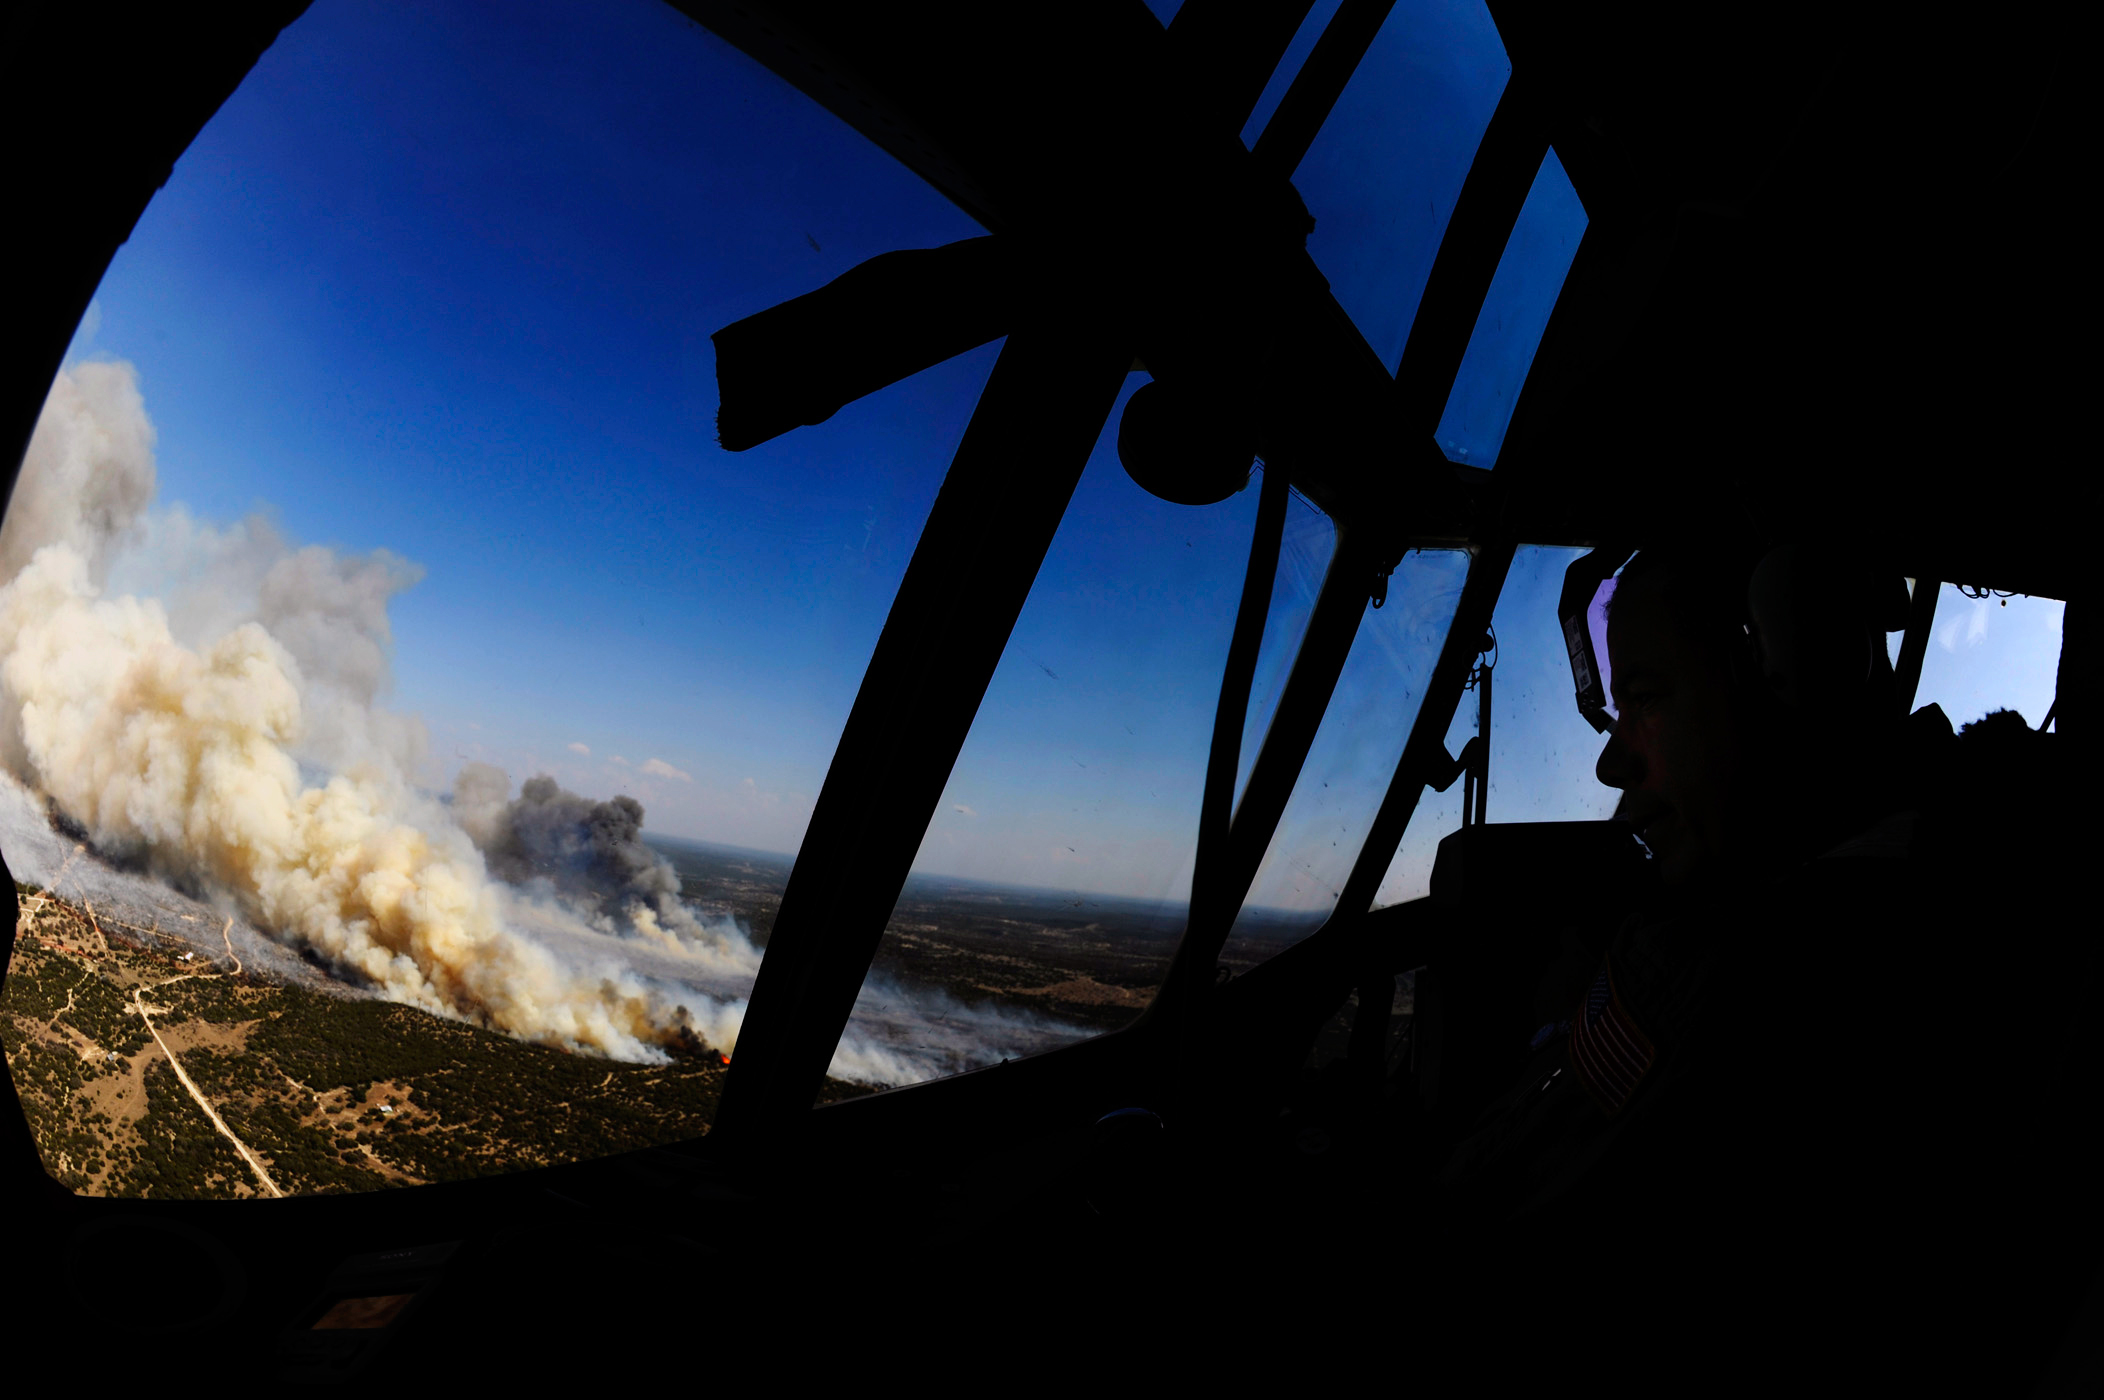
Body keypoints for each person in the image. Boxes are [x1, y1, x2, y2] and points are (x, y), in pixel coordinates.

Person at [1407, 543, 2088, 1385]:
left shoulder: (1796, 982)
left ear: (1778, 684)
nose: (1611, 764)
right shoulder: (1853, 893)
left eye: (1647, 699)